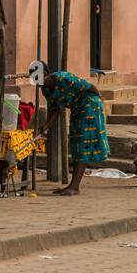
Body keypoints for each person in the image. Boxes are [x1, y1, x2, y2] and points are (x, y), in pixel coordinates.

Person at [37, 66, 109, 196]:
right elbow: (55, 109)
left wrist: (100, 101)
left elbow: (89, 87)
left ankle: (74, 187)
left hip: (90, 106)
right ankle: (73, 185)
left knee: (83, 145)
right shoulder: (46, 89)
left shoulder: (63, 78)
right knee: (76, 144)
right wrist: (46, 126)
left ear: (47, 73)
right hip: (77, 109)